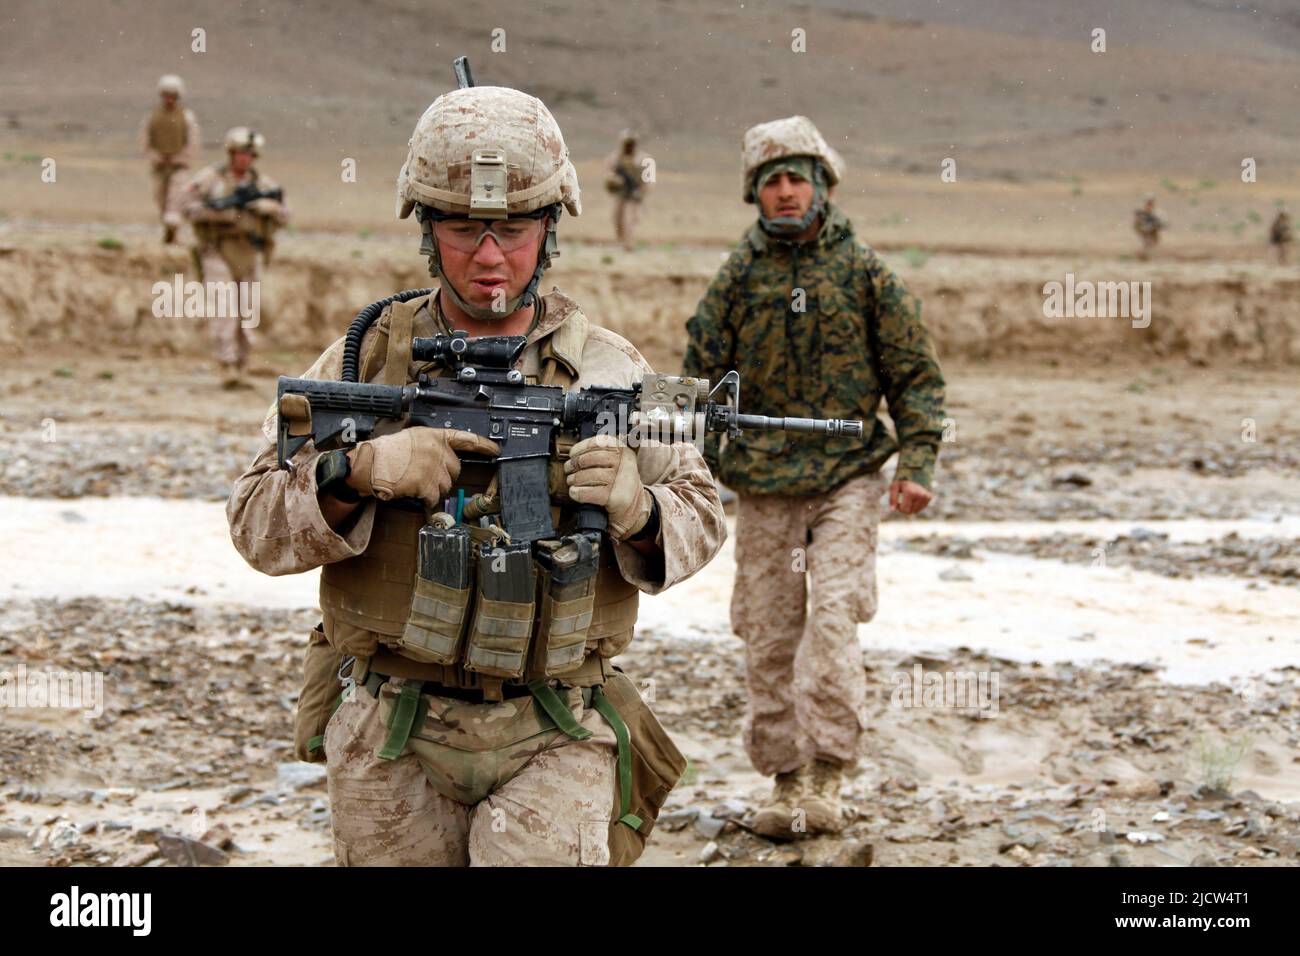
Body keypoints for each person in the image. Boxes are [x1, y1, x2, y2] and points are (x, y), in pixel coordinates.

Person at [226, 84, 726, 866]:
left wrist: (640, 511)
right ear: (427, 229)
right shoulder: (367, 359)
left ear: (550, 228)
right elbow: (255, 523)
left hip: (555, 723)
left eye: (513, 230)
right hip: (391, 720)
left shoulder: (612, 368)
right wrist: (359, 472)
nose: (489, 257)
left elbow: (704, 512)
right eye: (463, 229)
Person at [682, 115, 946, 839]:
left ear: (823, 186)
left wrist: (917, 462)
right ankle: (785, 778)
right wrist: (694, 461)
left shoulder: (864, 272)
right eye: (772, 181)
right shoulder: (737, 278)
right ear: (755, 194)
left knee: (831, 623)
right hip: (763, 483)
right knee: (768, 634)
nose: (786, 191)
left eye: (798, 178)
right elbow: (699, 379)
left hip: (847, 478)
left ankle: (828, 774)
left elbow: (915, 376)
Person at [182, 127, 290, 389]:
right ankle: (227, 364)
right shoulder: (210, 179)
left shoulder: (263, 184)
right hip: (217, 249)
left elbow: (285, 215)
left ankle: (243, 365)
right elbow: (189, 208)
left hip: (249, 252)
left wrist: (270, 209)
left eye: (249, 155)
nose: (244, 159)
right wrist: (223, 215)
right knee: (224, 310)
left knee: (247, 312)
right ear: (231, 153)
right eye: (240, 153)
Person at [138, 74, 200, 244]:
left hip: (179, 166)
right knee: (161, 201)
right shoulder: (152, 116)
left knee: (175, 201)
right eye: (166, 95)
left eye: (172, 96)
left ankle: (173, 233)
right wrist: (155, 157)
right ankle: (169, 232)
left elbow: (192, 141)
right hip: (159, 167)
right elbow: (144, 140)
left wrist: (181, 158)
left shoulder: (187, 117)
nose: (169, 99)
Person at [605, 129, 648, 251]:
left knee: (630, 220)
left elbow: (649, 180)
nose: (629, 146)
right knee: (616, 218)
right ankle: (622, 241)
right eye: (627, 143)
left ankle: (629, 244)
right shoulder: (615, 158)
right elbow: (608, 174)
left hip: (634, 193)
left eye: (631, 143)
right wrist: (615, 179)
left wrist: (642, 191)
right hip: (620, 193)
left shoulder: (643, 159)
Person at [1134, 195, 1165, 260]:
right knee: (1147, 242)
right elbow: (1137, 223)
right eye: (1148, 202)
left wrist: (1156, 225)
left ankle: (1146, 254)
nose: (1150, 204)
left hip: (1153, 230)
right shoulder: (1141, 212)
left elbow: (1162, 222)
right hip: (1144, 229)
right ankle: (1144, 255)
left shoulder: (1156, 212)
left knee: (1153, 242)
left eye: (1151, 202)